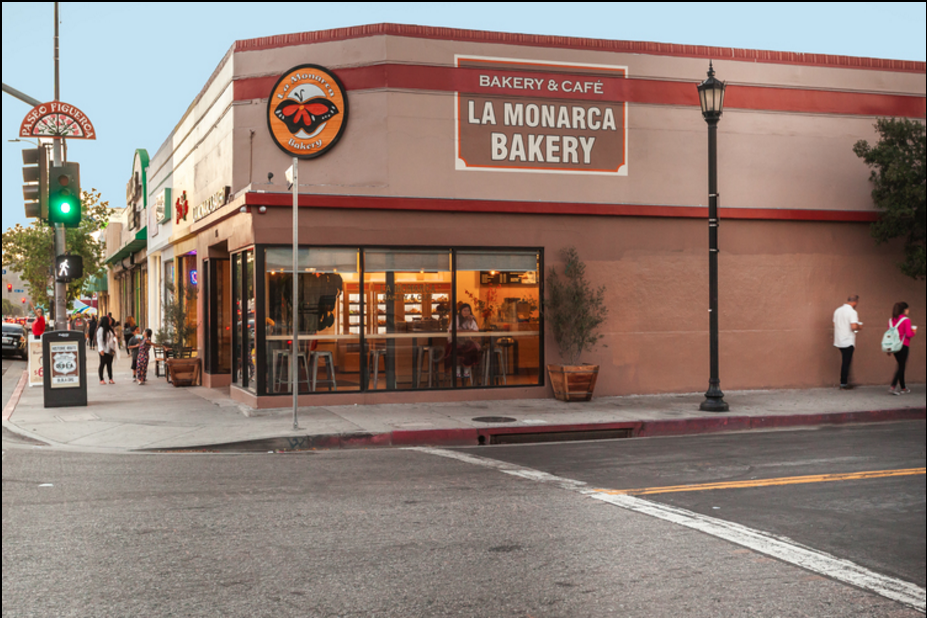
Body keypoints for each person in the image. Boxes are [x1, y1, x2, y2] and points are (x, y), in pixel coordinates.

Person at [444, 303, 482, 380]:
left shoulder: (472, 319)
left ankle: (466, 371)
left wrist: (471, 322)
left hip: (467, 340)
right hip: (456, 340)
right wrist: (467, 331)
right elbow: (452, 330)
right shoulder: (456, 318)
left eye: (468, 310)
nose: (466, 312)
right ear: (460, 311)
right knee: (458, 348)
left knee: (472, 347)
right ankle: (457, 371)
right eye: (464, 310)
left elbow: (476, 331)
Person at [833, 295, 863, 389]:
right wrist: (859, 327)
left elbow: (834, 324)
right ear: (855, 302)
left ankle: (847, 381)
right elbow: (854, 326)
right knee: (846, 362)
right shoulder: (852, 312)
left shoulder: (837, 310)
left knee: (846, 361)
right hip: (848, 340)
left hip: (839, 340)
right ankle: (844, 383)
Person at [888, 302, 917, 396]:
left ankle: (903, 387)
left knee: (901, 365)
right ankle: (893, 386)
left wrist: (889, 349)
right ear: (904, 310)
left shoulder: (891, 320)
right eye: (907, 309)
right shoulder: (906, 320)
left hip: (894, 346)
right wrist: (914, 332)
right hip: (903, 345)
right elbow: (908, 334)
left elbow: (889, 334)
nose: (908, 311)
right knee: (901, 366)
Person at [97, 316, 117, 385]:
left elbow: (112, 339)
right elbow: (99, 340)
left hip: (110, 349)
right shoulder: (101, 329)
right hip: (103, 350)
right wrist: (101, 349)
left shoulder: (110, 329)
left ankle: (110, 378)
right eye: (109, 320)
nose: (111, 321)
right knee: (102, 364)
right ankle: (101, 379)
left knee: (109, 364)